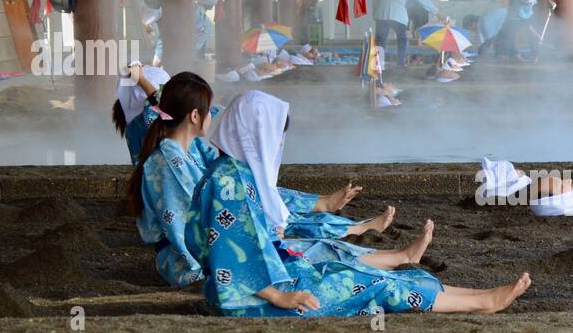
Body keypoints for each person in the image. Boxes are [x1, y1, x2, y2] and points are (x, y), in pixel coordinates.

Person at [184, 90, 532, 317]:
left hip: (262, 282)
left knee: (358, 271)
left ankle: (478, 296)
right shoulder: (228, 183)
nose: (277, 144)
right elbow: (229, 254)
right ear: (255, 133)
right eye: (275, 135)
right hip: (249, 299)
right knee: (369, 283)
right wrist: (279, 297)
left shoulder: (233, 172)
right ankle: (481, 302)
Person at [127, 74, 432, 288]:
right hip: (189, 264)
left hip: (216, 246)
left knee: (297, 239)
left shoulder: (186, 149)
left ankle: (393, 253)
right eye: (208, 111)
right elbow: (183, 231)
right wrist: (217, 265)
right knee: (303, 251)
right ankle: (394, 254)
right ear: (194, 116)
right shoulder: (169, 163)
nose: (213, 118)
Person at [372, 0, 437, 69]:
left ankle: (379, 66)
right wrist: (437, 12)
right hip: (397, 14)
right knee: (402, 39)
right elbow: (423, 0)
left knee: (381, 39)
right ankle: (400, 64)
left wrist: (375, 13)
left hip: (381, 14)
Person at [111, 62, 171, 163]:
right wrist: (142, 82)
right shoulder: (163, 127)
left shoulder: (132, 128)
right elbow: (163, 108)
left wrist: (141, 81)